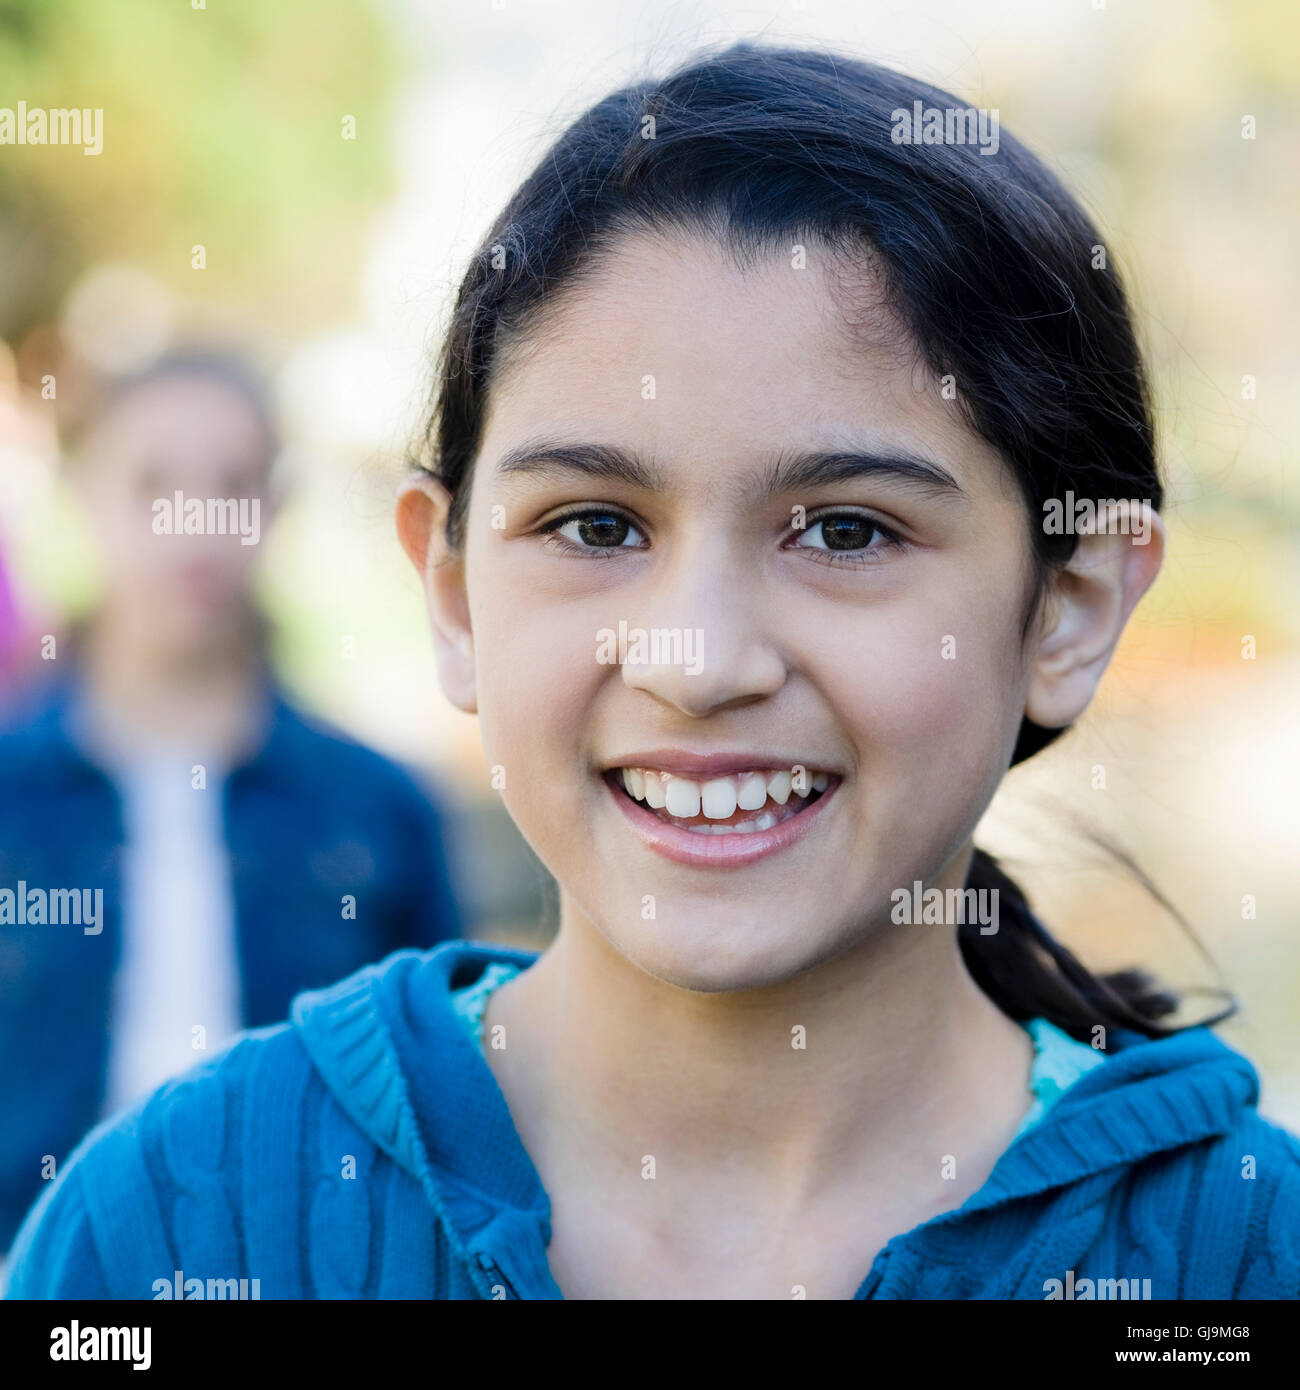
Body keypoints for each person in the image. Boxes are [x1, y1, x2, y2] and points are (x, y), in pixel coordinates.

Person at [6, 43, 1298, 1300]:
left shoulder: (1241, 1252)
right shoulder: (172, 1226)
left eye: (846, 530)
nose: (698, 664)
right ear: (452, 591)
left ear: (1066, 608)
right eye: (597, 524)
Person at [0, 351, 463, 1252]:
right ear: (84, 496)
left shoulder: (376, 809)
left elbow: (433, 1106)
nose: (195, 522)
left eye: (230, 483)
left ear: (274, 508)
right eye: (152, 483)